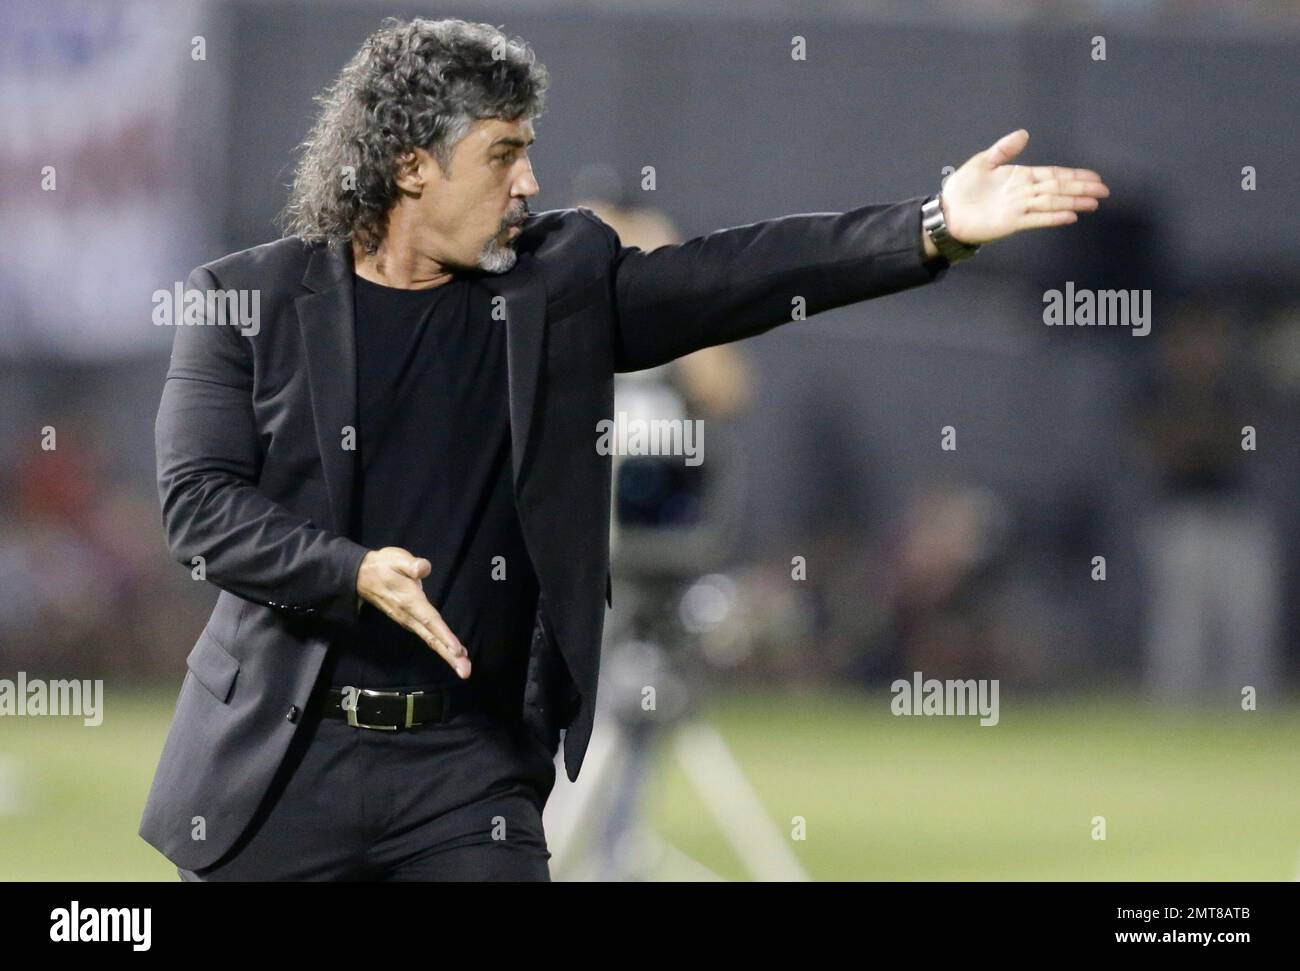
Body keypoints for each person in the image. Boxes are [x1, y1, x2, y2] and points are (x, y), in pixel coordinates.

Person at [138, 15, 1108, 881]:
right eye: (502, 153)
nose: (528, 181)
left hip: (463, 775)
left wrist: (931, 227)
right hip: (283, 762)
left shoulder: (550, 289)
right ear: (409, 164)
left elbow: (738, 272)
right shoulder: (246, 300)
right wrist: (350, 571)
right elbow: (200, 508)